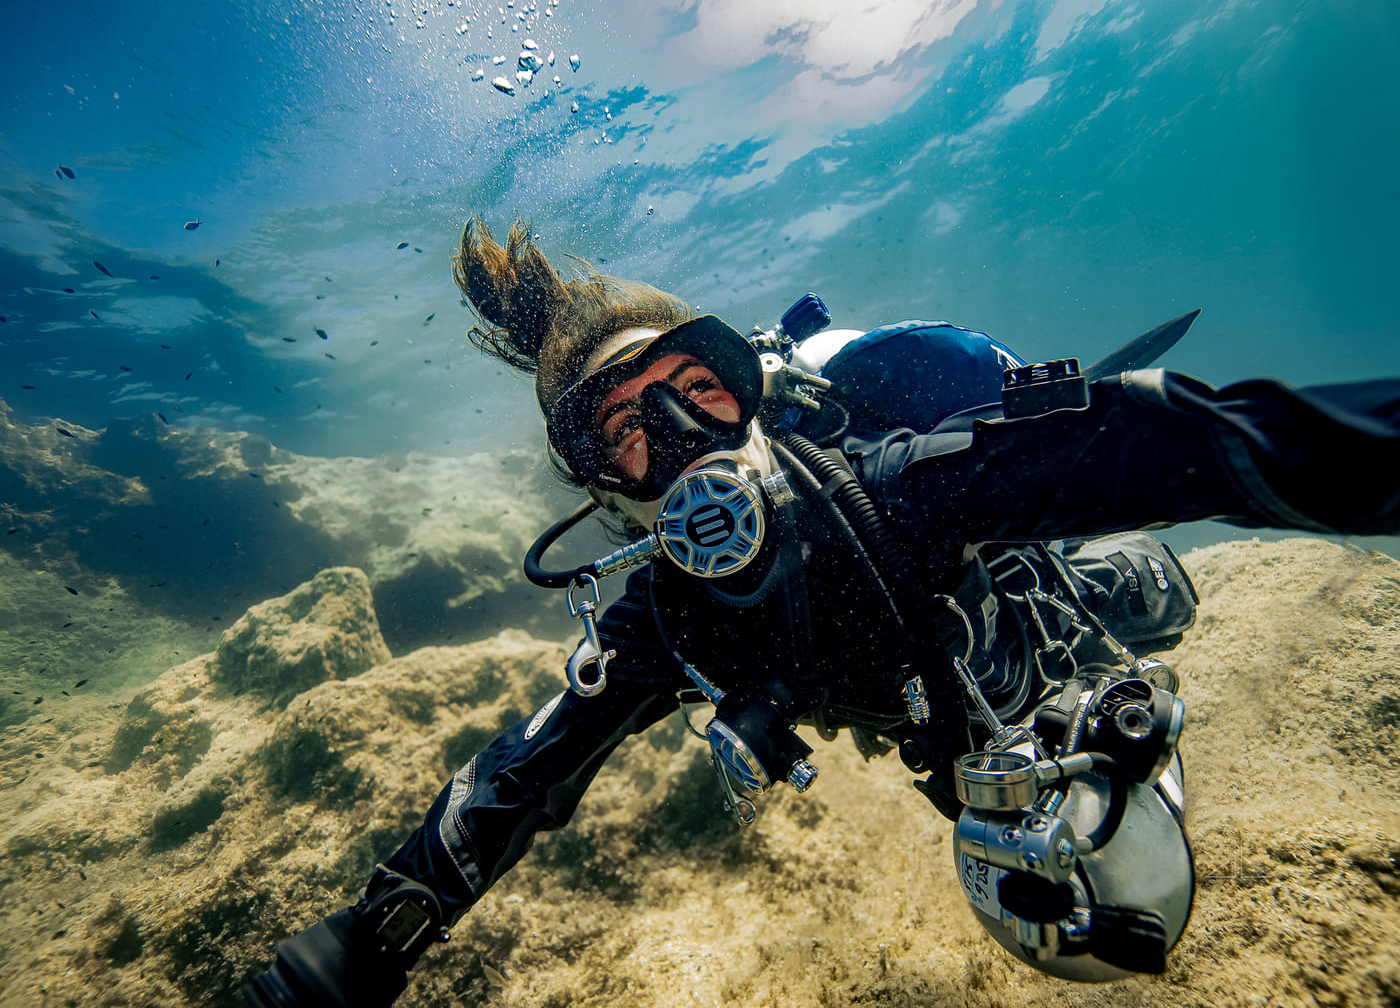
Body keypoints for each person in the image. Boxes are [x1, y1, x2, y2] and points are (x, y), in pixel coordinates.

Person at [243, 217, 1400, 1005]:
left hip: (1011, 606)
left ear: (744, 385)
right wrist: (366, 944)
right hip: (913, 706)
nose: (683, 440)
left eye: (693, 388)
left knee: (1157, 598)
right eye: (628, 427)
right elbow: (518, 774)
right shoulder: (665, 618)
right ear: (601, 486)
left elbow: (1195, 439)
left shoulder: (904, 474)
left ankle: (1092, 580)